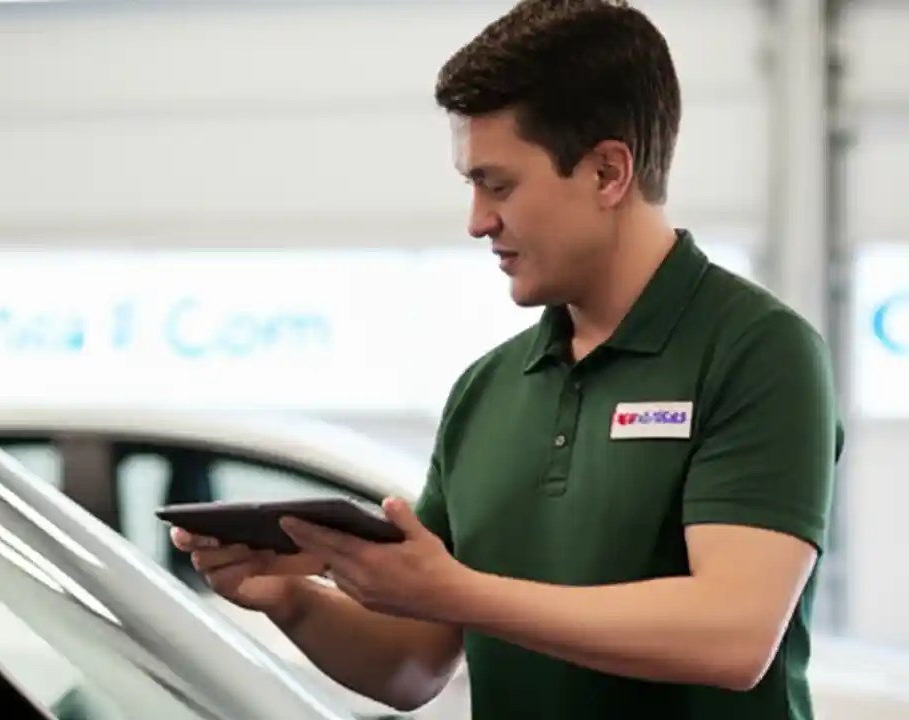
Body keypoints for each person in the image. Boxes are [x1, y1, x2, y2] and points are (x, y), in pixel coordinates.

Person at [169, 0, 843, 717]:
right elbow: (413, 666)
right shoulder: (487, 390)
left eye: (498, 184)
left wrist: (456, 590)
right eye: (471, 185)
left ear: (608, 173)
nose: (477, 221)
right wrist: (290, 602)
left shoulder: (759, 353)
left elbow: (732, 635)